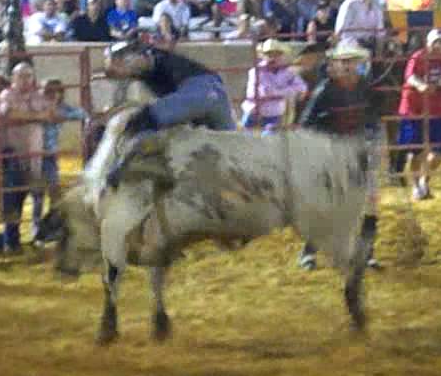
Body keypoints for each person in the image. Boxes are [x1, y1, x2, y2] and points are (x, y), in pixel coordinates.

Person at [100, 40, 236, 187]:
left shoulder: (153, 60)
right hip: (217, 95)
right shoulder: (151, 64)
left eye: (119, 64)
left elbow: (138, 102)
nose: (121, 72)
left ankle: (125, 165)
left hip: (199, 91)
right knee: (230, 150)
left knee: (145, 120)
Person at [295, 41, 380, 271]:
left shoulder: (364, 86)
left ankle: (367, 253)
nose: (348, 66)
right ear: (337, 64)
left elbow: (373, 115)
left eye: (352, 61)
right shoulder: (325, 90)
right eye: (344, 62)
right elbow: (306, 125)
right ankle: (308, 251)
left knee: (370, 203)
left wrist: (371, 135)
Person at [0, 62, 53, 251]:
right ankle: (11, 240)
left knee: (38, 195)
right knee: (14, 197)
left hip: (35, 154)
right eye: (21, 76)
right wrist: (36, 115)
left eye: (29, 76)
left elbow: (50, 114)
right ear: (13, 78)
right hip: (13, 153)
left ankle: (37, 233)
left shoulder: (38, 95)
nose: (26, 80)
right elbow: (10, 115)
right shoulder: (6, 95)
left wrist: (27, 115)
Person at [397, 29, 441, 200]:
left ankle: (425, 181)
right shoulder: (418, 56)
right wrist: (420, 85)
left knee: (440, 149)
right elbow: (409, 76)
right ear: (428, 43)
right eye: (436, 42)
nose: (439, 46)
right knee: (415, 150)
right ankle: (416, 186)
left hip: (438, 108)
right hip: (414, 108)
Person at [31, 79, 88, 242]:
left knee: (53, 191)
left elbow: (82, 113)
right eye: (48, 91)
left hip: (48, 154)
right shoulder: (36, 107)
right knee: (38, 193)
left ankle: (49, 228)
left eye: (57, 92)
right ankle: (37, 228)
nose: (53, 95)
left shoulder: (61, 108)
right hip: (33, 153)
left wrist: (64, 115)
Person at [241, 39, 308, 131]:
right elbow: (262, 92)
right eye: (269, 54)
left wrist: (278, 92)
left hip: (274, 113)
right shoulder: (256, 71)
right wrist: (287, 91)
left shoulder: (287, 72)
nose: (272, 58)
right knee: (245, 136)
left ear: (282, 56)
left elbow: (302, 88)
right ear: (263, 56)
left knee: (270, 136)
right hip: (253, 112)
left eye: (276, 55)